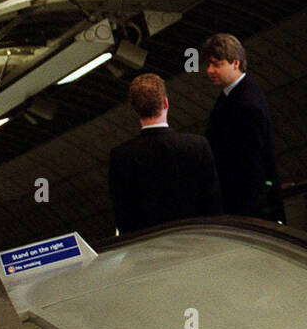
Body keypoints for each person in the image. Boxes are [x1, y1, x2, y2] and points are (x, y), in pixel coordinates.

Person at [109, 73, 222, 234]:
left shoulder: (121, 157)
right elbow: (213, 206)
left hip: (148, 245)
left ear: (135, 109)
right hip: (194, 240)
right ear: (165, 103)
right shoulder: (197, 146)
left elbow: (122, 216)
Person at [202, 33, 285, 223]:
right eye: (208, 65)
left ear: (236, 63)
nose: (210, 70)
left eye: (217, 64)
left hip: (247, 209)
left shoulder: (246, 103)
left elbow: (251, 166)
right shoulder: (235, 93)